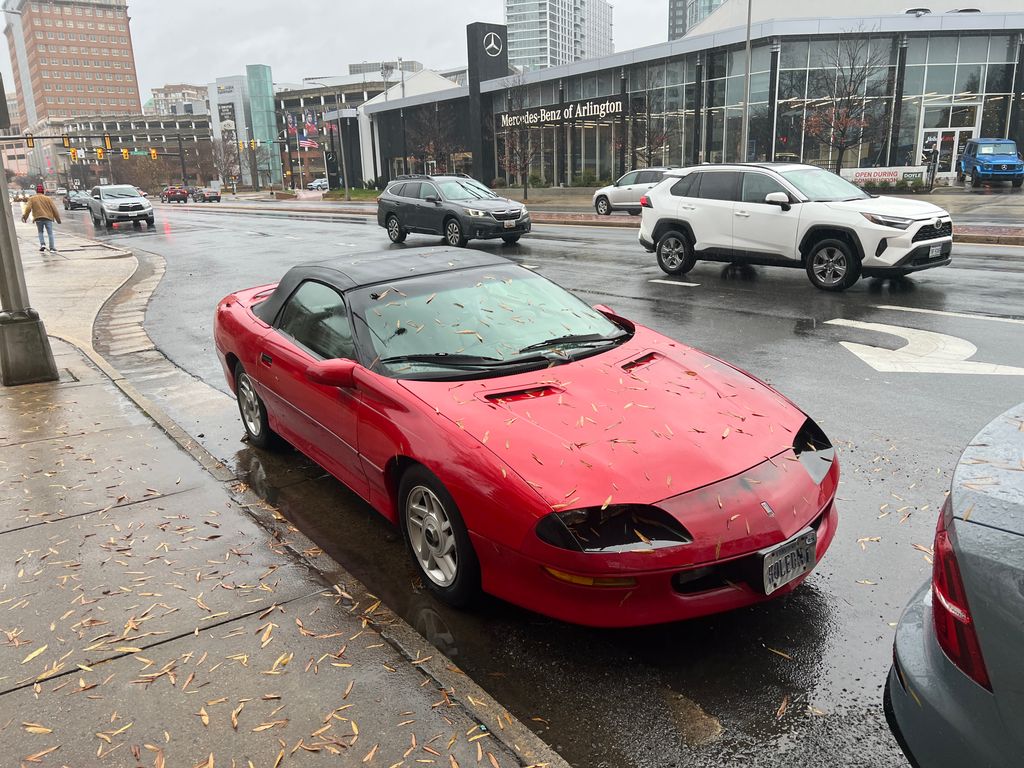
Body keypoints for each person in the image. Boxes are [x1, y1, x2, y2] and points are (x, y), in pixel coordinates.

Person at [22, 184, 61, 253]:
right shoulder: (48, 199)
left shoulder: (32, 199)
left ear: (36, 191)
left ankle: (42, 244)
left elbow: (28, 208)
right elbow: (54, 209)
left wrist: (25, 217)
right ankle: (52, 248)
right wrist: (58, 219)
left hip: (38, 218)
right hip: (48, 217)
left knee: (40, 232)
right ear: (43, 191)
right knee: (50, 233)